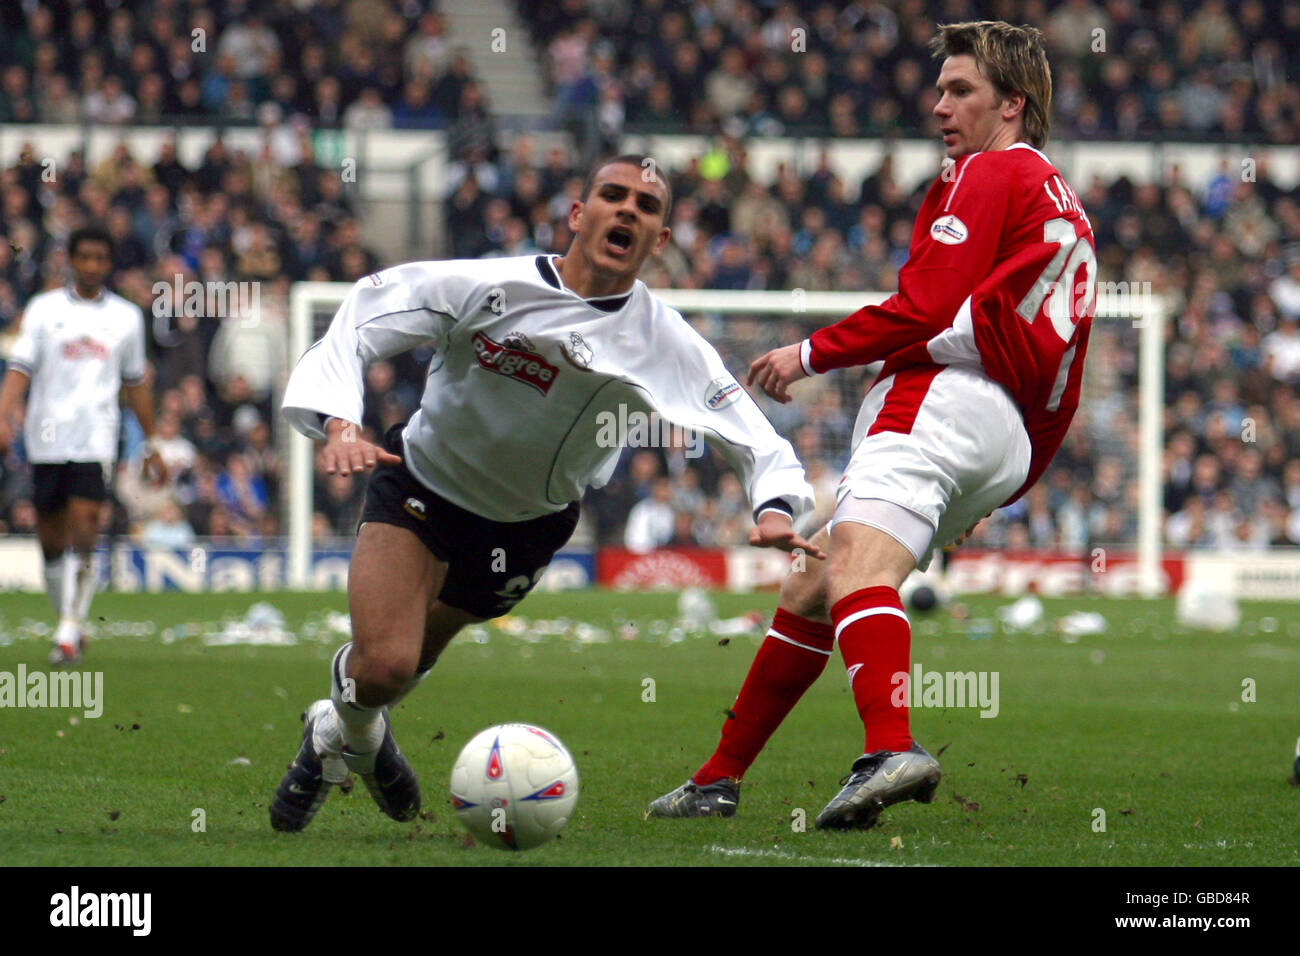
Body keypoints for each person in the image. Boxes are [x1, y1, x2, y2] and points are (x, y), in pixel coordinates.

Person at [270, 154, 821, 832]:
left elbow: (750, 435)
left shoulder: (666, 342)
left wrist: (773, 507)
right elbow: (362, 317)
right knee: (383, 665)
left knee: (407, 665)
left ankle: (341, 728)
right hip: (420, 486)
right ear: (578, 214)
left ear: (661, 241)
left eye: (646, 208)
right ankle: (352, 734)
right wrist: (341, 423)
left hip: (524, 531)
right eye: (612, 196)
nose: (627, 211)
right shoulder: (491, 283)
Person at [649, 21, 1097, 830]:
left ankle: (891, 745)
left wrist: (809, 353)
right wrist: (1014, 476)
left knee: (853, 567)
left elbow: (925, 307)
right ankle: (718, 778)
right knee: (813, 580)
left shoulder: (990, 172)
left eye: (960, 90)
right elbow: (1064, 375)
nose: (939, 108)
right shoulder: (1065, 204)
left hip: (940, 397)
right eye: (939, 90)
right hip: (1008, 430)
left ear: (1012, 104)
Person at [0, 225, 166, 665]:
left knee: (87, 524)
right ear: (71, 260)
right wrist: (2, 414)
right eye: (84, 257)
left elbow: (136, 385)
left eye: (100, 258)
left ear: (109, 264)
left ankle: (70, 631)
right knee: (51, 538)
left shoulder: (126, 318)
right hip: (46, 437)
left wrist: (151, 443)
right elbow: (20, 367)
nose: (92, 266)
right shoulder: (42, 310)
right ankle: (67, 619)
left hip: (96, 437)